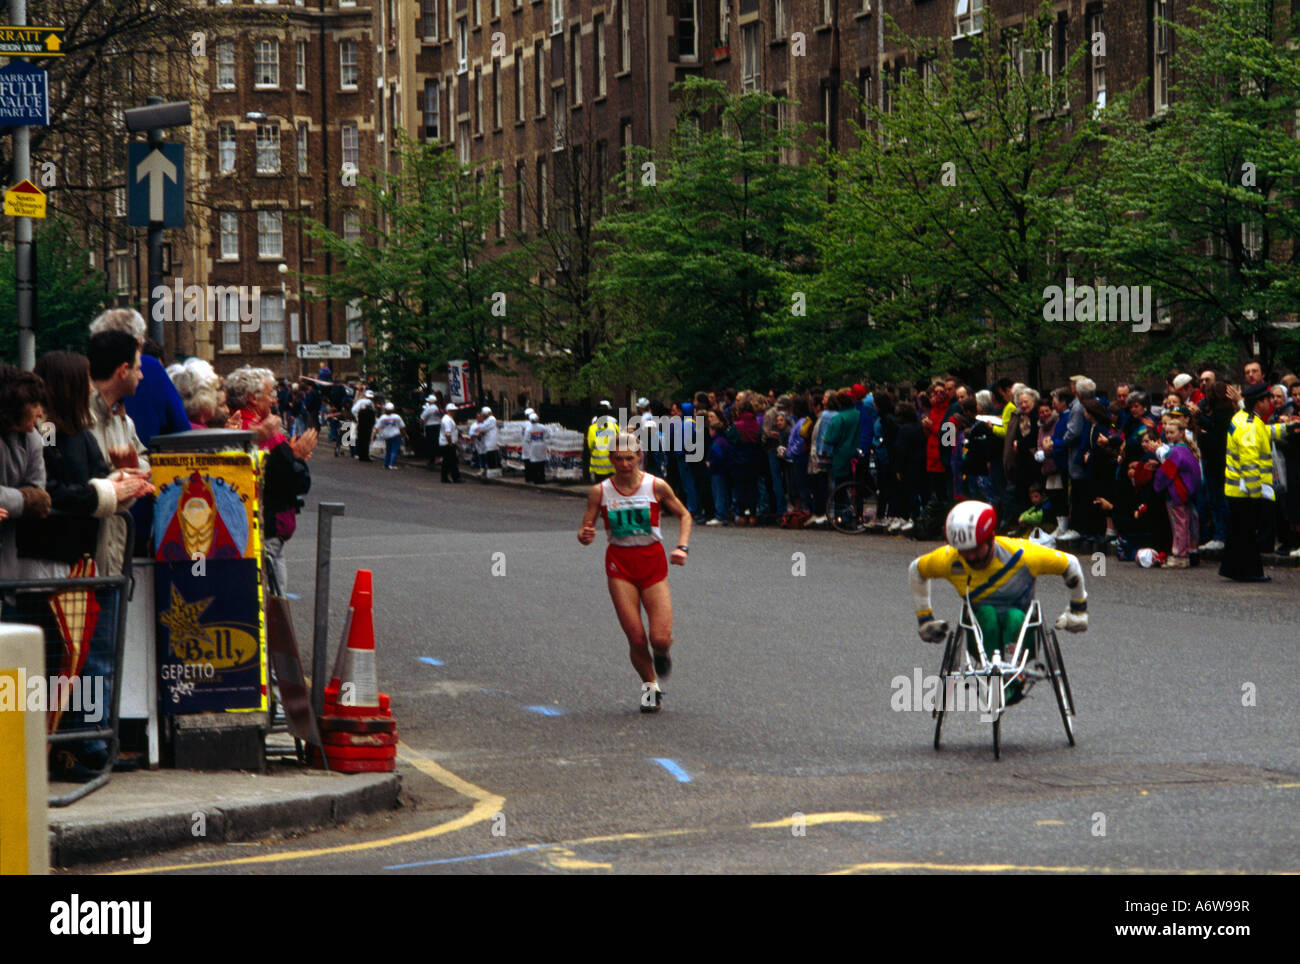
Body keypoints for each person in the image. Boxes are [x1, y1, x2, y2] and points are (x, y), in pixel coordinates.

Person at [13, 352, 153, 780]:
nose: (91, 388)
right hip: (51, 558)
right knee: (69, 658)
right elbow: (52, 487)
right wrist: (103, 491)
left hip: (84, 559)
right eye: (83, 381)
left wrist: (121, 482)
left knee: (89, 657)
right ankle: (73, 744)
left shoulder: (78, 431)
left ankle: (88, 741)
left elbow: (98, 475)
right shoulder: (50, 430)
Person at [909, 501, 1088, 705]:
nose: (970, 556)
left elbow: (1071, 564)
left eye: (976, 549)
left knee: (1014, 617)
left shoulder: (1022, 553)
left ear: (991, 539)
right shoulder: (950, 558)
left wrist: (1078, 610)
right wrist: (925, 619)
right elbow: (916, 570)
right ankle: (993, 682)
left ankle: (1011, 682)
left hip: (1024, 635)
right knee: (986, 614)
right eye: (963, 550)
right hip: (980, 638)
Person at [577, 432, 692, 713]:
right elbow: (585, 529)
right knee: (636, 637)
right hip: (620, 565)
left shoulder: (656, 485)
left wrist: (682, 547)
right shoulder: (600, 492)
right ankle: (650, 687)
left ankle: (663, 652)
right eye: (619, 459)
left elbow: (684, 515)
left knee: (659, 638)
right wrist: (585, 535)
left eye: (630, 458)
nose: (625, 464)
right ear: (610, 459)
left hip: (652, 562)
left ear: (639, 457)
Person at [227, 367, 317, 592]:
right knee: (273, 603)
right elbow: (295, 481)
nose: (275, 398)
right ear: (252, 398)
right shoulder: (264, 432)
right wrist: (296, 457)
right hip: (268, 529)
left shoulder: (234, 425)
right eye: (270, 393)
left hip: (247, 530)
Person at [1220, 381, 1300, 582]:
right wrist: (1256, 494)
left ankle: (1234, 569)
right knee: (1247, 535)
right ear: (1258, 404)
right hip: (1246, 491)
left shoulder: (1244, 418)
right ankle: (1250, 572)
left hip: (1236, 490)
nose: (1271, 402)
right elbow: (1249, 463)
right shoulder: (1250, 426)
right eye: (1267, 399)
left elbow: (1265, 432)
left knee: (1238, 534)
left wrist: (1289, 428)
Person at [0, 365, 51, 582]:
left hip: (7, 569)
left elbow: (39, 496)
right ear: (16, 404)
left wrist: (10, 501)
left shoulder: (33, 440)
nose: (41, 413)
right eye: (35, 404)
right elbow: (31, 499)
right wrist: (23, 500)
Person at [1152, 414, 1201, 568]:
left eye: (1172, 432)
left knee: (1178, 524)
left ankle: (1180, 554)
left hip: (1176, 493)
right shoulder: (1187, 451)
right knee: (1188, 522)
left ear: (1181, 433)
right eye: (1167, 432)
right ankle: (1189, 551)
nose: (1169, 435)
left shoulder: (1175, 452)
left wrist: (1157, 486)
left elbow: (1165, 474)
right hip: (1188, 493)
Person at [372, 402, 407, 470]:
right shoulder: (397, 417)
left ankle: (386, 464)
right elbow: (402, 427)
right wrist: (405, 434)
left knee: (388, 450)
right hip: (396, 435)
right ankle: (391, 464)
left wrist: (374, 435)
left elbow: (376, 428)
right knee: (394, 450)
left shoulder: (382, 418)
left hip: (387, 436)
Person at [521, 411, 552, 483]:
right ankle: (542, 478)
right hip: (542, 445)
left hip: (533, 446)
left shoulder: (528, 429)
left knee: (534, 463)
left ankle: (536, 479)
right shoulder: (542, 427)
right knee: (541, 463)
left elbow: (526, 439)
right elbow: (547, 435)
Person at [439, 403, 463, 483]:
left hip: (448, 443)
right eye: (452, 411)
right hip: (447, 443)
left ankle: (448, 477)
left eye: (454, 411)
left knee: (449, 461)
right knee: (450, 461)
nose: (454, 412)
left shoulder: (449, 419)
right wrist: (450, 443)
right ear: (448, 411)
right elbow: (447, 433)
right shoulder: (447, 420)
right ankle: (454, 478)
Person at [351, 390, 376, 461]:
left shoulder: (361, 402)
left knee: (361, 439)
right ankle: (364, 455)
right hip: (366, 423)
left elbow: (353, 410)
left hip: (362, 422)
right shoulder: (367, 403)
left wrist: (357, 418)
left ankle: (361, 455)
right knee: (366, 440)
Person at [420, 395, 442, 468]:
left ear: (430, 401)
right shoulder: (437, 408)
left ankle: (432, 461)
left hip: (430, 427)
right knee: (436, 443)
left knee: (430, 444)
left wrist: (421, 427)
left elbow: (422, 418)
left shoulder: (429, 409)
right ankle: (437, 458)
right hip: (437, 426)